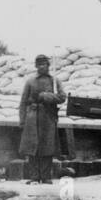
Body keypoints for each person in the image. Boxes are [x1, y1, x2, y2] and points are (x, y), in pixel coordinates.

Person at [18, 54, 67, 183]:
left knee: (47, 147)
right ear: (36, 66)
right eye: (39, 65)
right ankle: (34, 176)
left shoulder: (54, 81)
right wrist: (22, 120)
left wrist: (46, 96)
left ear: (48, 66)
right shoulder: (30, 81)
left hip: (48, 117)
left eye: (44, 64)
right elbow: (23, 102)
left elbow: (62, 97)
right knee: (32, 148)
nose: (41, 67)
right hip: (32, 117)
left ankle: (45, 177)